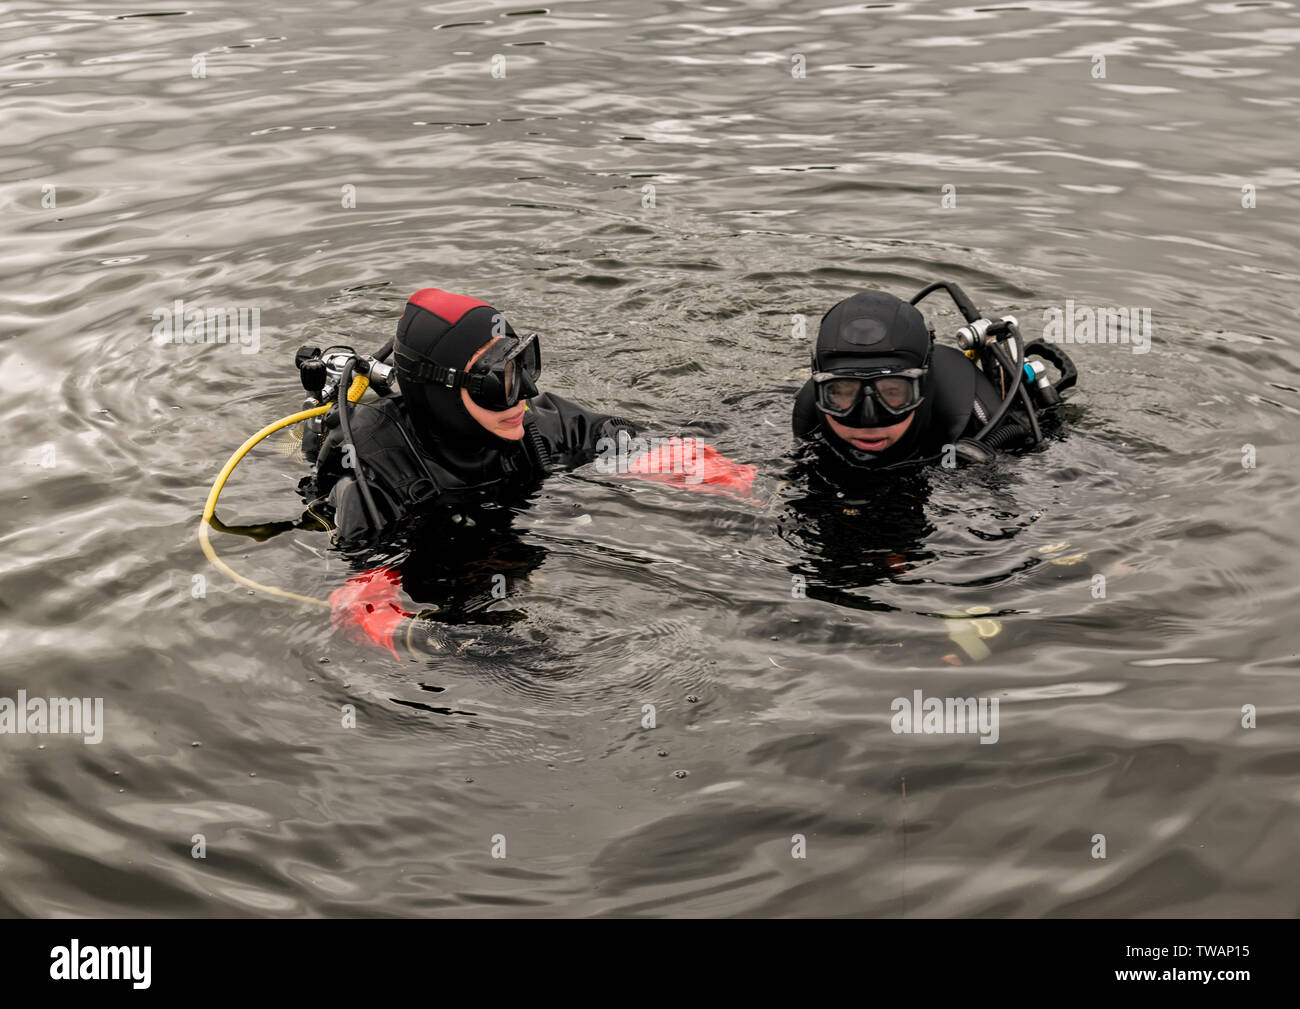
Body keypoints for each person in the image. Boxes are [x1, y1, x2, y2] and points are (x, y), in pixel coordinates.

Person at [791, 289, 1037, 481]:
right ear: (819, 385)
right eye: (844, 392)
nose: (869, 419)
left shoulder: (973, 414)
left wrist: (984, 474)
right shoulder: (809, 414)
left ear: (924, 383)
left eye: (893, 392)